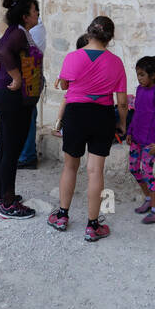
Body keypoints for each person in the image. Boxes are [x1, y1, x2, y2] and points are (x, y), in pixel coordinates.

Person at [47, 16, 128, 241]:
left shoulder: (72, 57)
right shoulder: (116, 62)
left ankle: (62, 215)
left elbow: (65, 85)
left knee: (70, 166)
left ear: (89, 32)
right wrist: (121, 123)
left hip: (75, 114)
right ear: (110, 37)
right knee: (95, 171)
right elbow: (122, 101)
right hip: (102, 115)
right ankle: (92, 226)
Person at [0, 0, 42, 219]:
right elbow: (0, 51)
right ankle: (8, 204)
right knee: (11, 151)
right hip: (13, 97)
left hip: (7, 96)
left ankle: (0, 195)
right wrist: (17, 77)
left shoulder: (17, 32)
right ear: (25, 16)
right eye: (34, 11)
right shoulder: (19, 33)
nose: (37, 15)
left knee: (4, 147)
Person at [127, 56, 155, 224]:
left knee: (147, 173)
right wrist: (129, 131)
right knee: (134, 169)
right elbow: (136, 113)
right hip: (136, 138)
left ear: (153, 76)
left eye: (142, 74)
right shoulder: (139, 90)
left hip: (149, 142)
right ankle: (148, 198)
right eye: (138, 74)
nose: (139, 78)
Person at [16, 11, 47, 170]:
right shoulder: (31, 30)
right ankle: (26, 153)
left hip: (30, 78)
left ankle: (27, 155)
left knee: (28, 115)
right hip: (30, 77)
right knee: (27, 115)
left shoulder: (34, 30)